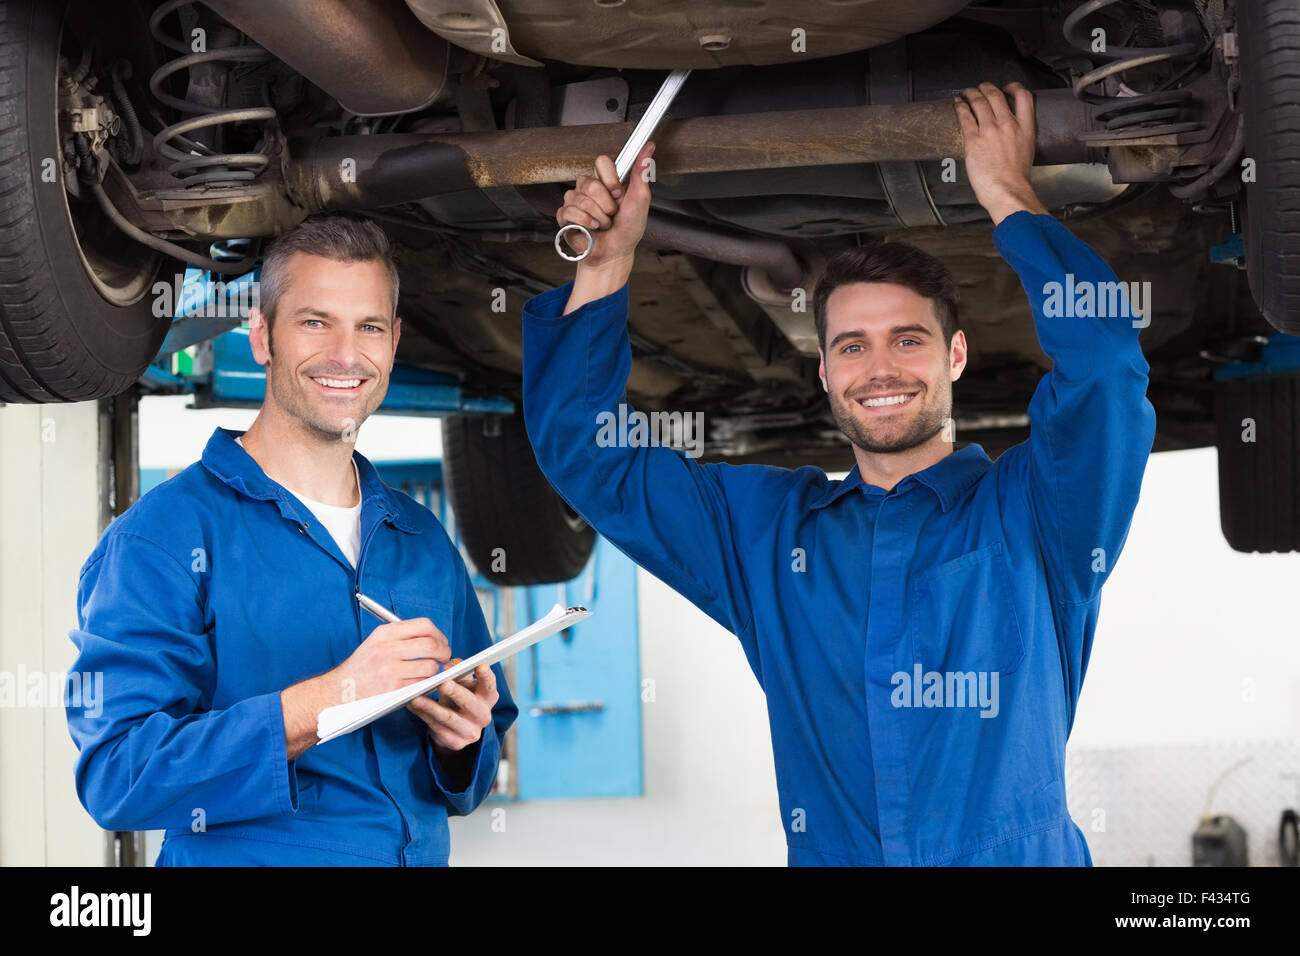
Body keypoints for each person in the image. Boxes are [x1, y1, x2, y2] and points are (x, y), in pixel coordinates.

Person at [523, 82, 1155, 865]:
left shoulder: (1038, 514)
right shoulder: (766, 538)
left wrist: (1009, 197)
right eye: (852, 346)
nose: (880, 367)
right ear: (823, 370)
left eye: (909, 340)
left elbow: (1105, 368)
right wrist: (608, 265)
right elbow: (587, 455)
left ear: (955, 355)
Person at [67, 215, 517, 866]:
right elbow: (118, 774)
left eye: (367, 327)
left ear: (393, 343)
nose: (344, 354)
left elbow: (478, 756)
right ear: (261, 336)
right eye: (314, 322)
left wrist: (464, 741)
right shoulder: (162, 539)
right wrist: (329, 699)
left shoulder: (422, 542)